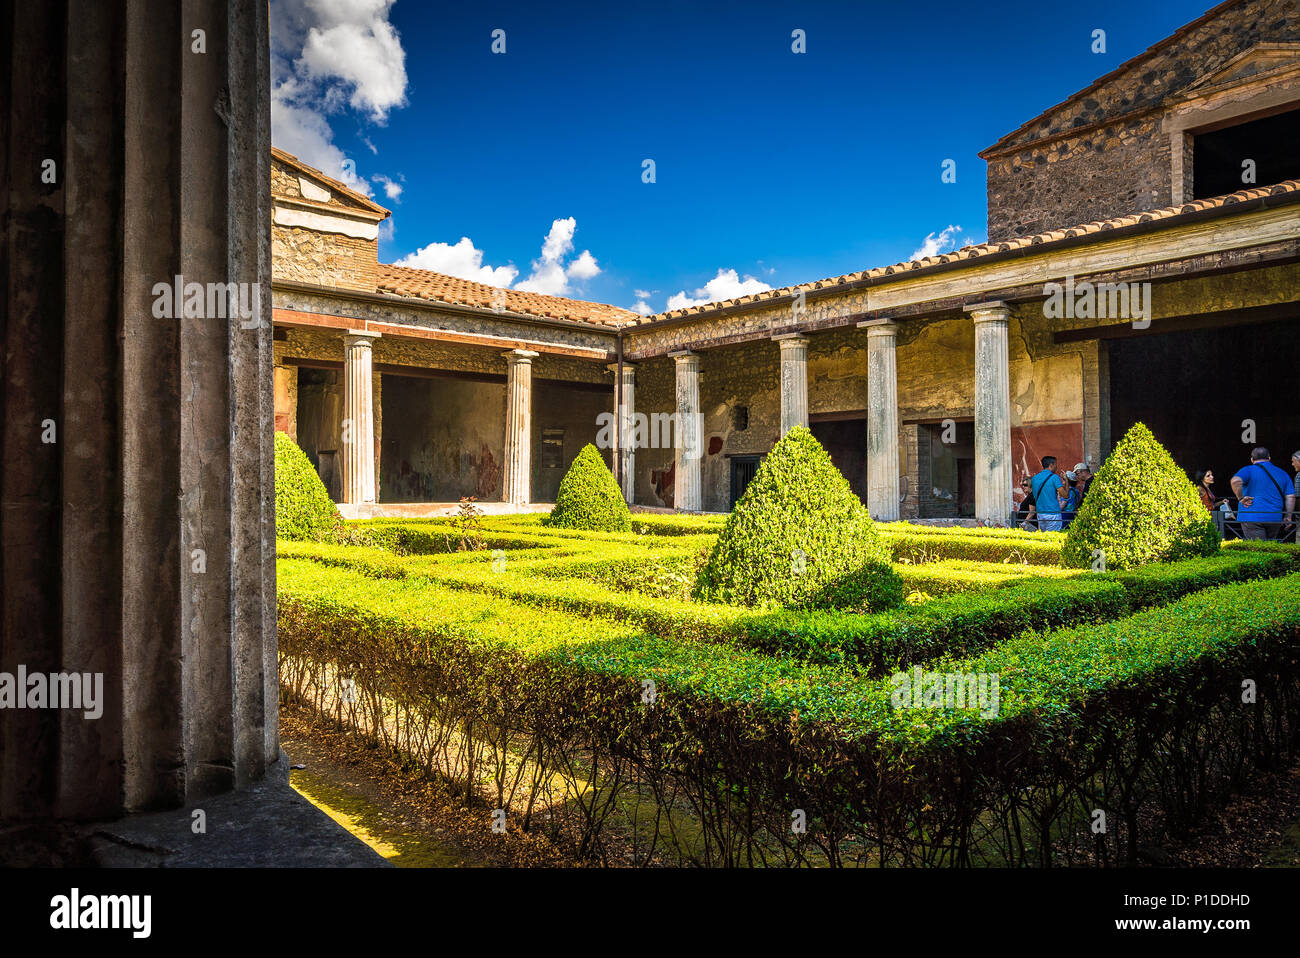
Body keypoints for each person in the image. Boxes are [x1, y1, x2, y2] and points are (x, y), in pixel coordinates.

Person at [1230, 447, 1296, 541]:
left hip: (1251, 516)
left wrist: (1241, 498)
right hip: (1274, 517)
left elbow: (1235, 481)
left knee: (1258, 549)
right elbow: (1291, 496)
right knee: (1270, 547)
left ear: (1252, 459)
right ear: (1269, 458)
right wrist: (1288, 516)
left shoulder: (1247, 470)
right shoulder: (1282, 473)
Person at [1029, 456, 1066, 532]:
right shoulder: (1054, 477)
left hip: (1040, 513)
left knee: (1044, 537)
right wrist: (1066, 481)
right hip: (1053, 513)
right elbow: (1065, 495)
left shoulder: (1034, 478)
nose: (1057, 466)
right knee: (1053, 538)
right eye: (1056, 464)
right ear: (1051, 465)